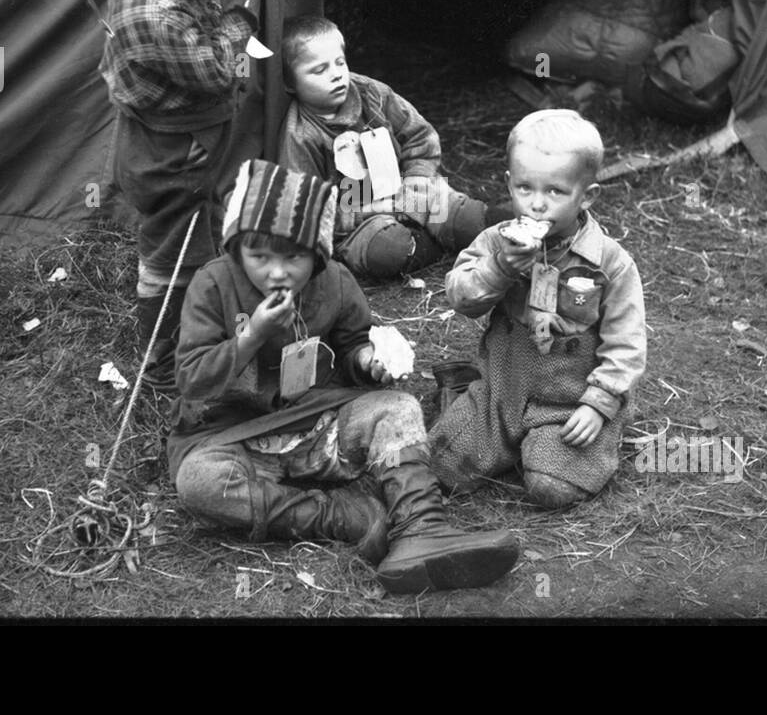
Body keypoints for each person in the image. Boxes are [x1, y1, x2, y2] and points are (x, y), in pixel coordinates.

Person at [169, 158, 520, 593]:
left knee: (399, 408)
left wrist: (368, 360)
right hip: (235, 435)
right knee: (198, 482)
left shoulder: (334, 280)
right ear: (236, 249)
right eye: (258, 256)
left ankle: (422, 527)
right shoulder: (213, 284)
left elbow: (352, 342)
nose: (276, 272)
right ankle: (348, 516)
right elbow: (192, 379)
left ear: (316, 256)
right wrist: (253, 334)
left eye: (293, 257)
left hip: (320, 424)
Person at [74, 0, 257, 392]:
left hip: (187, 149)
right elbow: (215, 70)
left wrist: (214, 1)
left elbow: (202, 21)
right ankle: (160, 359)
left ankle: (198, 325)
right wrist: (237, 17)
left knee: (193, 235)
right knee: (170, 253)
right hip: (166, 156)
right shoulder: (149, 13)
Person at [428, 110, 647, 508]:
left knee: (552, 487)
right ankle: (485, 419)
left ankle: (571, 439)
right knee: (439, 465)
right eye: (525, 188)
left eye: (555, 192)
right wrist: (499, 270)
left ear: (587, 195)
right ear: (509, 182)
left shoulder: (611, 263)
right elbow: (459, 297)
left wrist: (599, 403)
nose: (536, 205)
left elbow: (627, 344)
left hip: (566, 402)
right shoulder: (497, 241)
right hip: (502, 392)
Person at [277, 16, 510, 279]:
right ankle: (428, 244)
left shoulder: (371, 93)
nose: (336, 75)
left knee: (466, 218)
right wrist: (370, 211)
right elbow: (309, 210)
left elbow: (420, 136)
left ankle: (506, 222)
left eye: (340, 62)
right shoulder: (300, 136)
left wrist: (416, 183)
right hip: (361, 220)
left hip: (407, 191)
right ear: (289, 83)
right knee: (389, 251)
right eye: (319, 70)